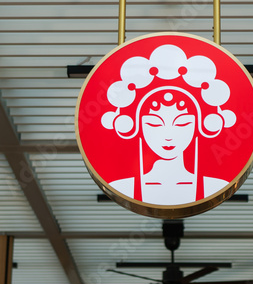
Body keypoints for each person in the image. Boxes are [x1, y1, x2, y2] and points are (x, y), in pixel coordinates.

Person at [101, 43, 237, 205]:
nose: (168, 135)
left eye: (182, 124)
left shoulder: (215, 186)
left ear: (200, 124)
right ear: (135, 125)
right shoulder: (122, 187)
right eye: (154, 124)